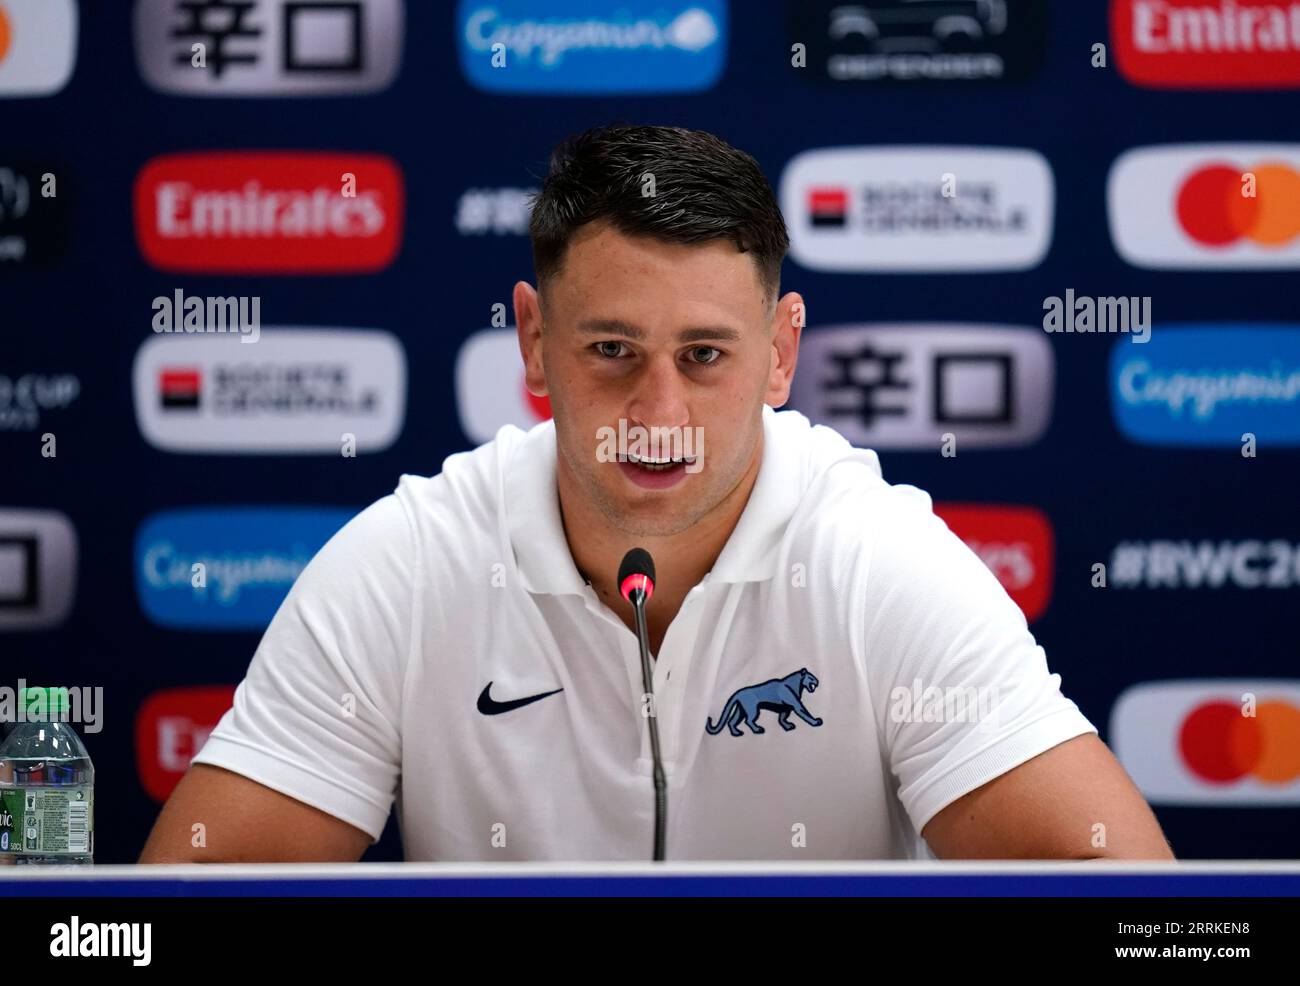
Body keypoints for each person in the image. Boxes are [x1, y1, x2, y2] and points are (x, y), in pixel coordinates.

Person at [140, 124, 1173, 862]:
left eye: (706, 353)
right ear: (534, 341)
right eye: (612, 350)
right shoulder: (409, 560)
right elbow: (183, 899)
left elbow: (1125, 899)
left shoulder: (876, 560)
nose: (658, 408)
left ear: (781, 356)